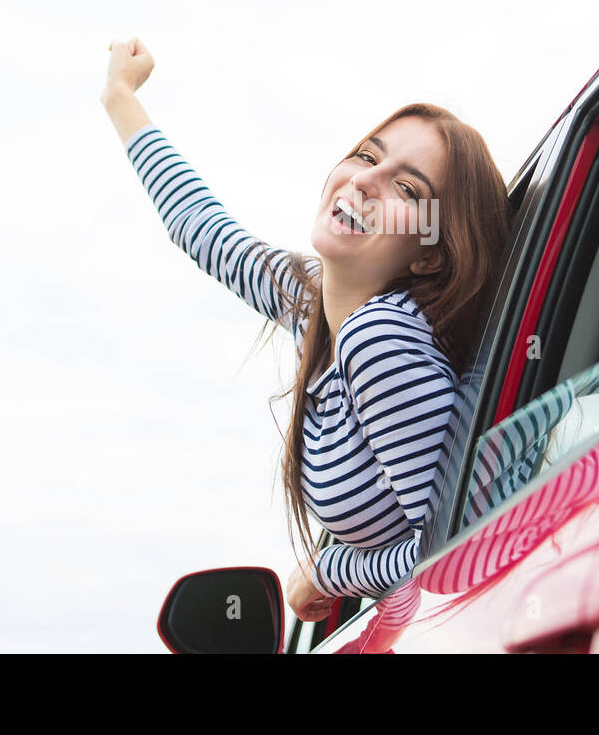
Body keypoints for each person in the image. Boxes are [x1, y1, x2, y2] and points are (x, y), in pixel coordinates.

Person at [100, 37, 510, 622]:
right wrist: (120, 97)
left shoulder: (381, 338)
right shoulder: (312, 305)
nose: (366, 181)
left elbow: (454, 554)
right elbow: (201, 227)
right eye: (368, 157)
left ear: (429, 257)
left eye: (408, 188)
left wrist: (326, 571)